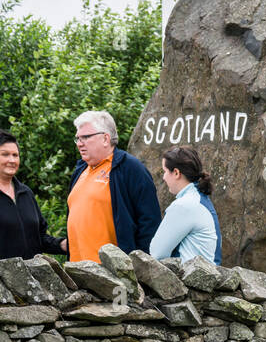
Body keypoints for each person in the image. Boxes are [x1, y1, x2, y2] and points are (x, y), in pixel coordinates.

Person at [67, 110, 161, 261]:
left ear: (105, 138)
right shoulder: (80, 169)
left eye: (85, 137)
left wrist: (140, 267)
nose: (79, 143)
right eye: (77, 138)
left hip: (112, 273)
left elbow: (150, 221)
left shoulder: (130, 168)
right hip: (78, 272)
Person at [0, 130, 69, 261]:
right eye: (5, 154)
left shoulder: (25, 193)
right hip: (4, 279)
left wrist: (62, 244)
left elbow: (40, 237)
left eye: (15, 155)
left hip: (32, 277)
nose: (12, 160)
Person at [149, 146, 222, 264]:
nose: (163, 177)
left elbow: (157, 253)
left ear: (176, 173)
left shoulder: (185, 205)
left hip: (191, 280)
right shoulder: (198, 199)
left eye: (165, 171)